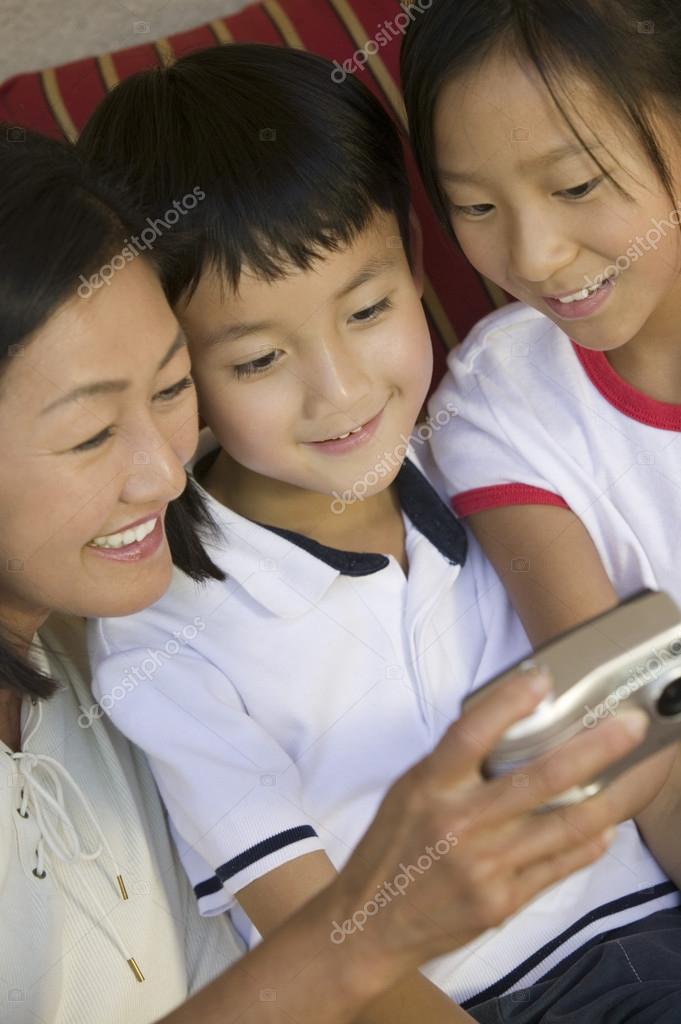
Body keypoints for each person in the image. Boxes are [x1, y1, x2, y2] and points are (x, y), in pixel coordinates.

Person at [76, 44, 680, 1017]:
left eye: (368, 308)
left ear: (411, 254)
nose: (343, 389)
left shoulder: (483, 464)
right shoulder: (166, 638)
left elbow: (643, 735)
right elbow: (331, 950)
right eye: (262, 357)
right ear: (167, 367)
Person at [400, 0, 681, 1018]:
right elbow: (630, 728)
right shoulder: (499, 410)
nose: (536, 254)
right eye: (473, 206)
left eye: (575, 185)